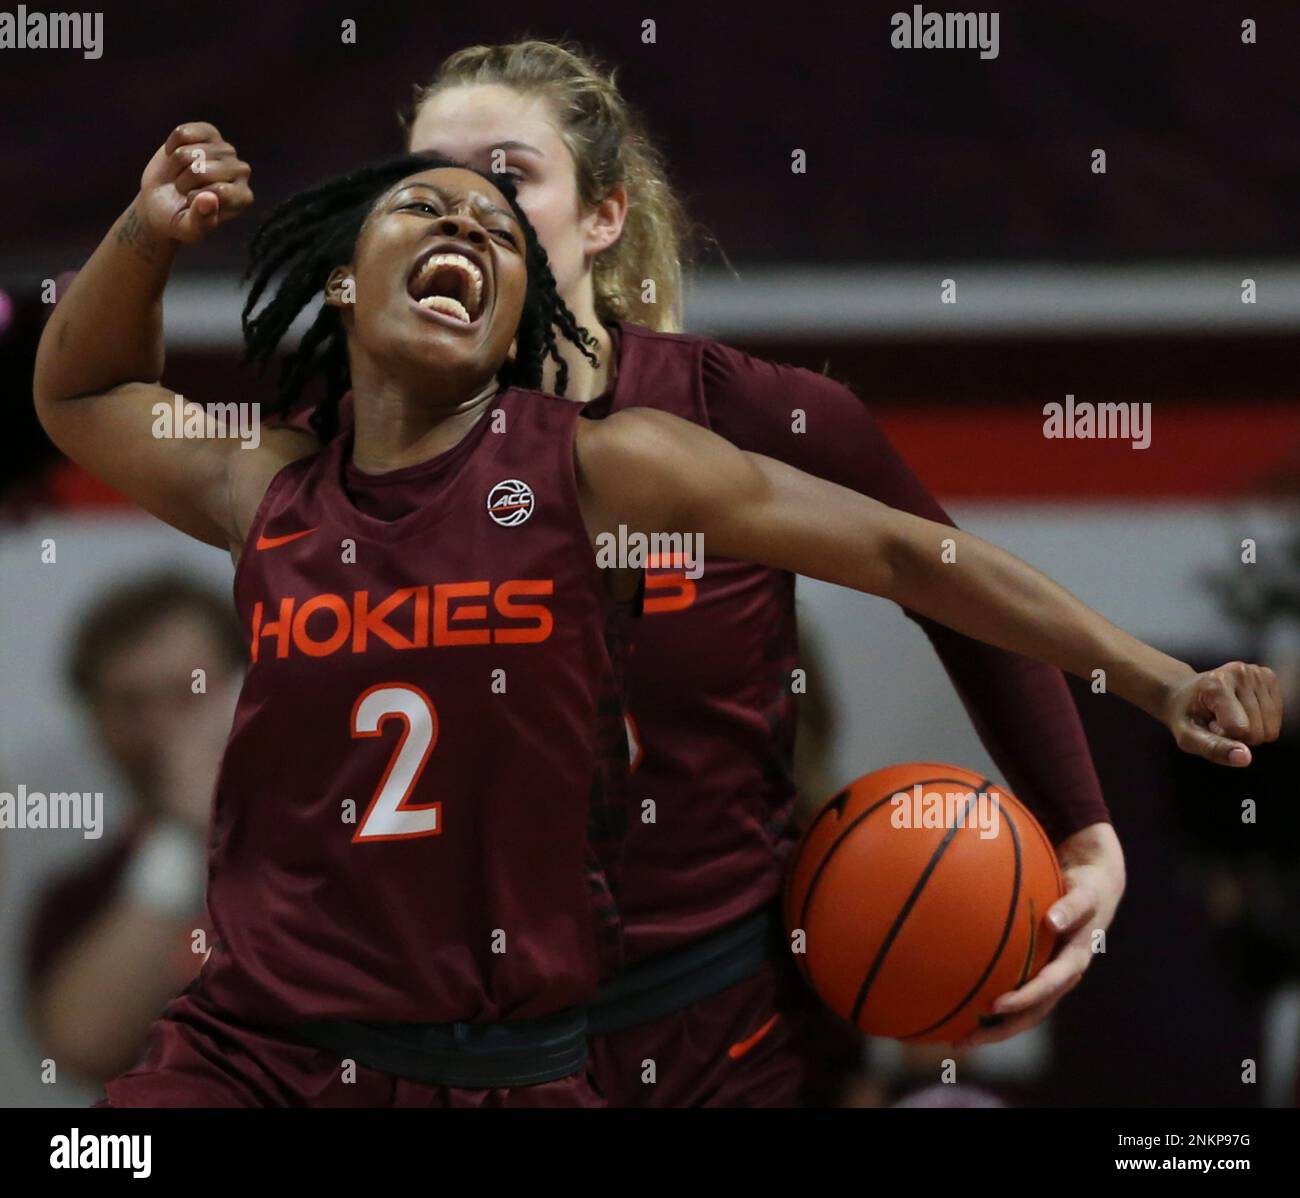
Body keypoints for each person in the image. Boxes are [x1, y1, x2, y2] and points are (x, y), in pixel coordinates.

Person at [32, 123, 1281, 1108]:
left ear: (522, 321)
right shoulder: (265, 486)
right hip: (260, 1054)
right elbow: (82, 388)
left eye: (500, 230)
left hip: (510, 1066)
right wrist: (146, 234)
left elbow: (911, 552)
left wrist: (1154, 676)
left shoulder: (601, 467)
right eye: (423, 206)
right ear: (348, 287)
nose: (465, 222)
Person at [402, 38, 1121, 1104]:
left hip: (724, 1025)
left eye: (507, 173)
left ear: (602, 215)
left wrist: (1084, 829)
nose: (467, 207)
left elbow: (950, 584)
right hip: (451, 1036)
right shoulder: (343, 448)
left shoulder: (741, 414)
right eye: (426, 184)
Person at [25, 573, 242, 1087]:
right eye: (130, 705)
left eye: (187, 693)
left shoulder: (331, 850)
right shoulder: (79, 897)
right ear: (95, 721)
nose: (162, 730)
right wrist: (182, 836)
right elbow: (81, 1045)